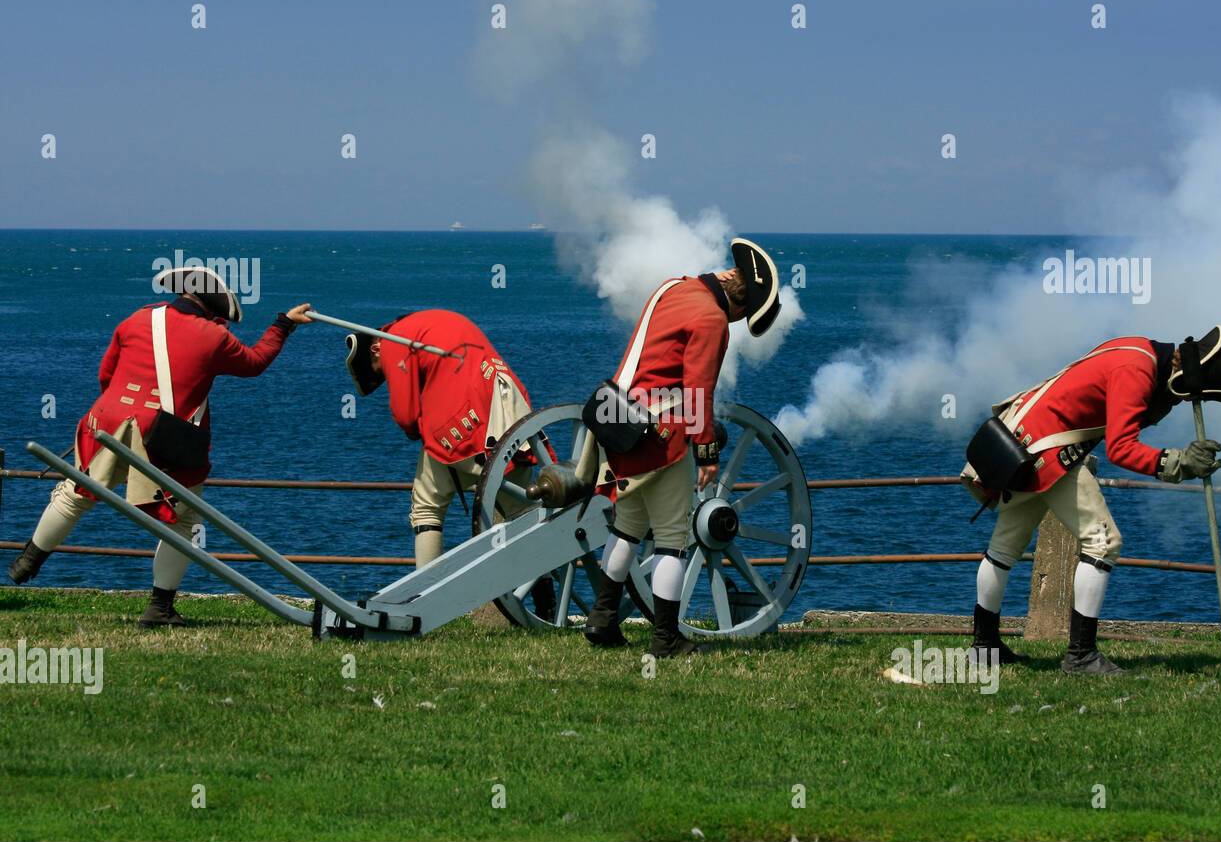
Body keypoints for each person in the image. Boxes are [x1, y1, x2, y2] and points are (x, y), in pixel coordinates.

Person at [7, 266, 313, 627]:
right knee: (182, 521)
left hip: (106, 419)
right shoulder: (214, 337)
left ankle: (28, 560)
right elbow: (255, 362)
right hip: (161, 434)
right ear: (213, 306)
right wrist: (283, 324)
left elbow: (107, 374)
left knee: (75, 494)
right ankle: (159, 609)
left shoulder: (137, 318)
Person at [964, 326, 1221, 675]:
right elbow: (1121, 448)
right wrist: (1180, 462)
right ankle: (1081, 656)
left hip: (1022, 443)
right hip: (1050, 452)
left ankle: (984, 646)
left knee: (1003, 549)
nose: (1181, 401)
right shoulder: (1137, 372)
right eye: (1183, 395)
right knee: (1103, 542)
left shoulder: (1139, 349)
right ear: (1179, 376)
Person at [582, 238, 782, 657]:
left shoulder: (672, 287)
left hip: (619, 422)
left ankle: (601, 620)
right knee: (672, 539)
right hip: (661, 437)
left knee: (628, 526)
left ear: (730, 275)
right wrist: (706, 451)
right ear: (741, 309)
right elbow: (697, 391)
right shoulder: (712, 320)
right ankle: (666, 639)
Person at [343, 310, 550, 606]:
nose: (385, 373)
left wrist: (415, 429)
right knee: (521, 511)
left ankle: (424, 598)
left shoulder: (391, 342)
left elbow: (404, 413)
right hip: (509, 413)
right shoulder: (436, 322)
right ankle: (545, 601)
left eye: (380, 370)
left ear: (374, 348)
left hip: (465, 424)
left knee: (426, 505)